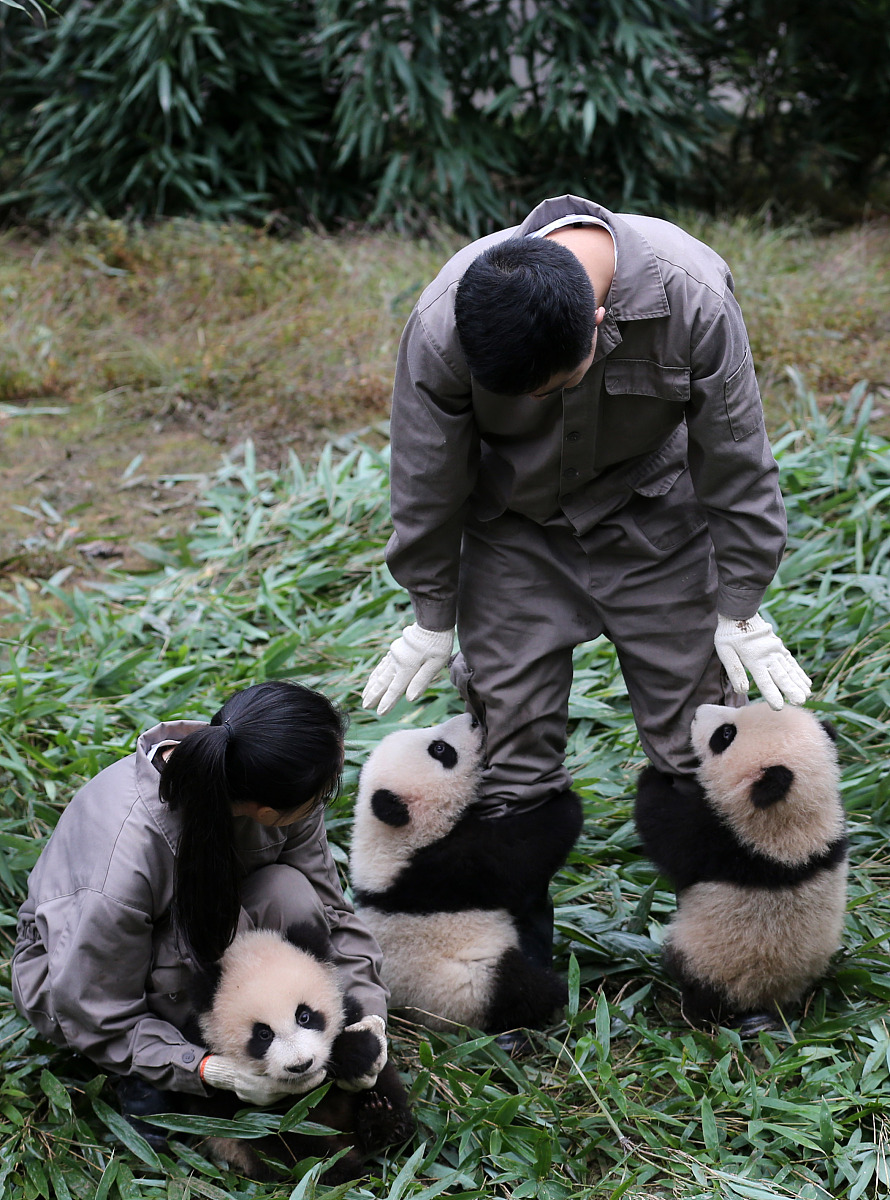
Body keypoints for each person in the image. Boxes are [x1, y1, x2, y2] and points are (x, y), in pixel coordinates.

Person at [362, 195, 811, 959]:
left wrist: (740, 605)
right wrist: (432, 610)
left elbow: (736, 458)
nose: (537, 405)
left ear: (599, 328)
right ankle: (516, 979)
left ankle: (733, 970)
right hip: (513, 537)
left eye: (549, 386)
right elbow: (426, 475)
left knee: (701, 743)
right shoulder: (444, 321)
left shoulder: (691, 296)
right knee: (510, 753)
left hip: (658, 523)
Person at [12, 681, 388, 1146]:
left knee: (289, 891)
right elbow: (92, 1007)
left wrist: (365, 1016)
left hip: (214, 922)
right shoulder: (118, 868)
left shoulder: (265, 773)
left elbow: (328, 910)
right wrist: (208, 1069)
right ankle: (149, 1072)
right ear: (267, 810)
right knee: (181, 960)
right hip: (86, 973)